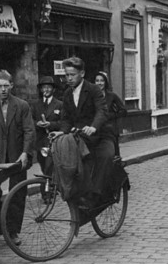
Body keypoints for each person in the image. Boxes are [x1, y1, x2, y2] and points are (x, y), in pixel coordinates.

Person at [0, 69, 35, 244]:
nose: (3, 89)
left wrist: (25, 153)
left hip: (17, 156)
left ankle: (12, 231)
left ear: (11, 85)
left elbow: (29, 131)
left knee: (17, 194)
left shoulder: (22, 106)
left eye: (6, 85)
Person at [56, 57, 111, 204]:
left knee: (105, 157)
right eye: (66, 75)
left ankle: (96, 194)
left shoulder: (93, 89)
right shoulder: (67, 93)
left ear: (82, 73)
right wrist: (62, 131)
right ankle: (74, 189)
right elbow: (66, 118)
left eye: (72, 75)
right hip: (80, 135)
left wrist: (94, 126)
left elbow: (102, 111)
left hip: (100, 135)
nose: (69, 78)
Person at [30, 75, 63, 169]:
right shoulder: (35, 104)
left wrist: (51, 124)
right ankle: (46, 183)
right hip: (40, 141)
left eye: (49, 87)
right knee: (43, 164)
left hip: (54, 140)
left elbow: (64, 122)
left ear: (53, 89)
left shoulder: (60, 104)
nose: (46, 90)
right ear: (41, 89)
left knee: (52, 166)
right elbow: (29, 120)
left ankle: (51, 183)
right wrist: (37, 123)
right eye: (44, 87)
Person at [94, 71, 127, 154]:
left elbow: (123, 111)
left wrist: (110, 116)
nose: (99, 83)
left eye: (102, 81)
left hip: (110, 130)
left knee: (113, 154)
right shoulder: (91, 96)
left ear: (105, 82)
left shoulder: (111, 96)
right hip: (96, 130)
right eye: (97, 81)